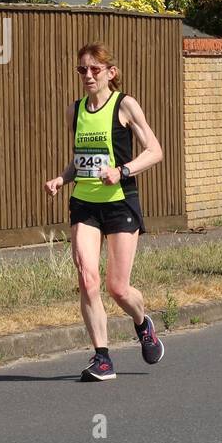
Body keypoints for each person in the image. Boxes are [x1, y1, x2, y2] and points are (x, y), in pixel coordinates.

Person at [44, 44, 165, 381]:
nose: (87, 75)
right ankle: (102, 357)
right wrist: (62, 178)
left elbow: (155, 151)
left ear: (110, 72)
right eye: (82, 70)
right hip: (84, 203)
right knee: (86, 278)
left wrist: (123, 171)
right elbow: (81, 157)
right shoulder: (74, 111)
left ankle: (142, 323)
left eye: (95, 69)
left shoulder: (124, 106)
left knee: (118, 288)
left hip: (120, 202)